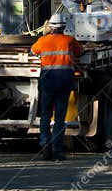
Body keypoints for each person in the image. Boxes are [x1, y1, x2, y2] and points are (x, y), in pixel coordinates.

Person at [30, 17, 83, 161]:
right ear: (64, 27)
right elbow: (80, 51)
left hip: (48, 83)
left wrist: (44, 36)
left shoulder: (43, 41)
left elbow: (33, 51)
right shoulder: (69, 40)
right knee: (60, 118)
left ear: (50, 27)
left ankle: (45, 148)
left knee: (45, 116)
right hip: (64, 83)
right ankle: (57, 151)